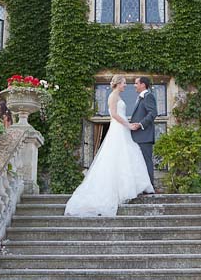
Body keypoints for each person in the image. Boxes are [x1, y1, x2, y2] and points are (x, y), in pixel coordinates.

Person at [64, 74, 153, 217]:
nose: (126, 85)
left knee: (127, 156)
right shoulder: (112, 96)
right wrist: (128, 124)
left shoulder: (119, 96)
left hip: (123, 129)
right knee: (117, 155)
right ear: (118, 83)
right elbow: (114, 115)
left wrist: (128, 124)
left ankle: (128, 187)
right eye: (124, 83)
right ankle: (117, 190)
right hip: (118, 129)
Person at [129, 75, 158, 186]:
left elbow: (153, 113)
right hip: (138, 137)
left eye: (136, 83)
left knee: (146, 162)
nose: (134, 86)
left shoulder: (148, 96)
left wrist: (140, 124)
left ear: (143, 85)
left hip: (145, 137)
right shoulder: (140, 98)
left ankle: (150, 187)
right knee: (139, 164)